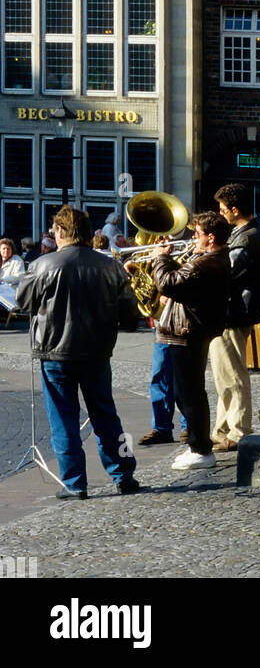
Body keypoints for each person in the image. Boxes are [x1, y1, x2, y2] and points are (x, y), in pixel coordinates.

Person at [15, 206, 140, 499]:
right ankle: (123, 475)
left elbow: (22, 302)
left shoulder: (43, 265)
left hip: (55, 352)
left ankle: (74, 483)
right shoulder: (109, 266)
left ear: (60, 232)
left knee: (64, 420)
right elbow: (129, 313)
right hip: (97, 352)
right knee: (106, 416)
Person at [150, 211, 232, 471]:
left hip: (188, 333)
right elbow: (180, 283)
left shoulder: (206, 263)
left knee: (189, 394)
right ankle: (197, 446)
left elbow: (167, 282)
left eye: (197, 234)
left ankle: (200, 449)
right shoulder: (207, 260)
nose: (193, 238)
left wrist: (161, 258)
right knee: (187, 392)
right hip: (188, 330)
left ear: (210, 237)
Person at [208, 183, 260, 452]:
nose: (221, 214)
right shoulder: (245, 233)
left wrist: (206, 257)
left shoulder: (246, 237)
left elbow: (226, 274)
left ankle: (239, 429)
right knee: (224, 374)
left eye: (223, 210)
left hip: (233, 312)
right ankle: (222, 428)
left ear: (234, 210)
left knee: (232, 374)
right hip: (232, 312)